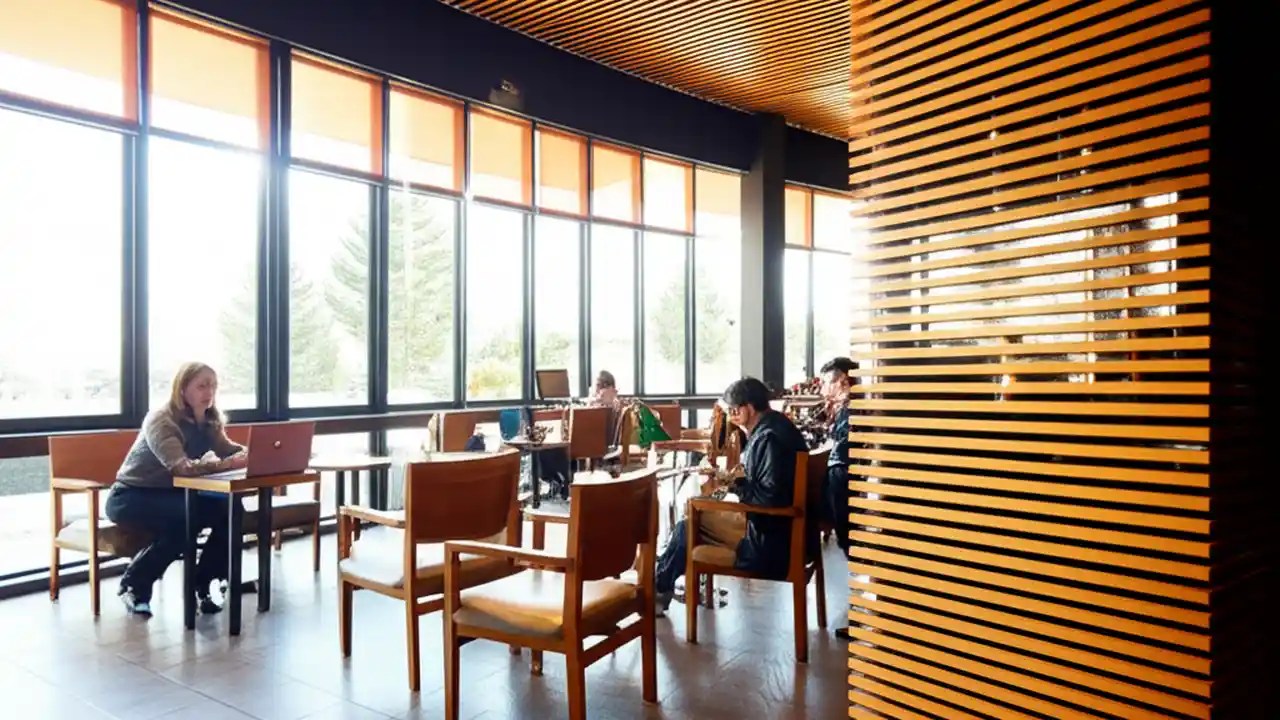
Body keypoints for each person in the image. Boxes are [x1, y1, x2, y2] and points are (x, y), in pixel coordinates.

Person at [653, 377, 809, 614]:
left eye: (734, 410)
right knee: (693, 518)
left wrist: (732, 484)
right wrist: (734, 481)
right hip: (779, 528)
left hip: (767, 540)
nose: (732, 416)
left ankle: (656, 590)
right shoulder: (777, 426)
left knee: (690, 522)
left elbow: (769, 498)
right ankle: (659, 584)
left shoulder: (768, 439)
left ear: (748, 408)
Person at [106, 362, 248, 616]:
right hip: (130, 495)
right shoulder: (162, 420)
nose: (209, 392)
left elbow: (229, 450)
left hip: (173, 494)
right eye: (202, 386)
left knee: (231, 507)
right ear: (182, 390)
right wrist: (229, 463)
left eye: (213, 386)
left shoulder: (208, 419)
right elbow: (182, 468)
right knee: (187, 519)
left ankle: (204, 581)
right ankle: (134, 586)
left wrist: (254, 454)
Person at [819, 356, 858, 638]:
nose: (823, 391)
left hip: (845, 479)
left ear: (843, 381)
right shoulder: (848, 409)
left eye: (827, 383)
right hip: (842, 476)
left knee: (852, 542)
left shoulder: (853, 410)